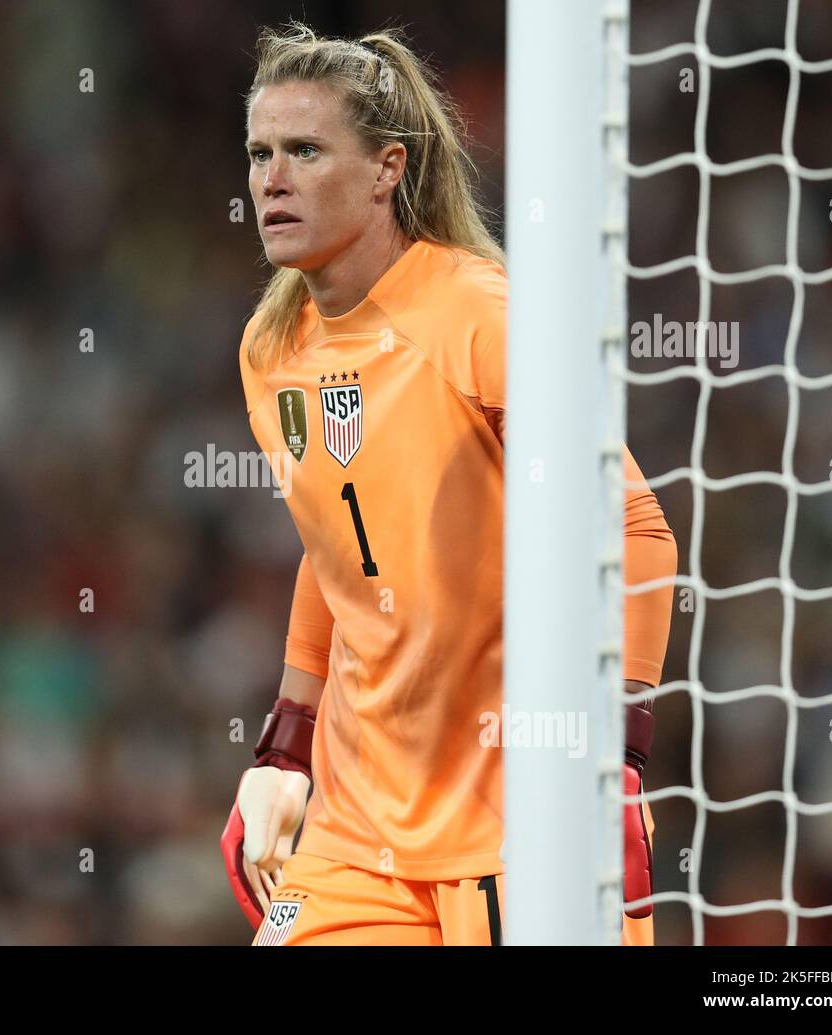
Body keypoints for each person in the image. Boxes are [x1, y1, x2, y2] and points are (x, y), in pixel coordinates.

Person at [221, 22, 677, 946]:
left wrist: (615, 762)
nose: (273, 177)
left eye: (306, 150)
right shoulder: (273, 349)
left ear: (388, 168)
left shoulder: (478, 315)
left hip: (519, 823)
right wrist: (285, 747)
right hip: (357, 832)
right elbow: (336, 546)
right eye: (261, 152)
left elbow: (635, 526)